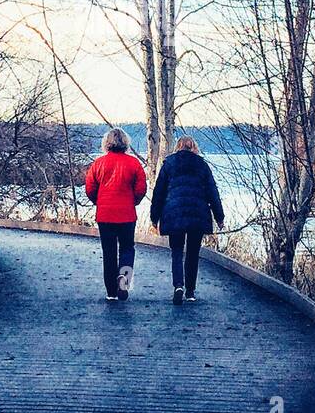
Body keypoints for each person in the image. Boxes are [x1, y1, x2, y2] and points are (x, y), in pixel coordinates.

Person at [150, 135, 224, 304]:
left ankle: (178, 285)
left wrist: (154, 217)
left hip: (174, 214)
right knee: (193, 253)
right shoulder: (202, 165)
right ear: (194, 147)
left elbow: (158, 193)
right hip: (197, 215)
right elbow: (213, 193)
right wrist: (219, 217)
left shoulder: (168, 164)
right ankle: (190, 292)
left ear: (178, 147)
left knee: (176, 251)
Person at [85, 127, 147, 301]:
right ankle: (124, 281)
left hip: (105, 214)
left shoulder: (98, 163)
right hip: (127, 213)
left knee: (109, 252)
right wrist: (133, 201)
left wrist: (99, 202)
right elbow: (141, 188)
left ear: (107, 143)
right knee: (127, 248)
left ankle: (111, 292)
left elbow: (90, 188)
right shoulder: (134, 163)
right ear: (126, 142)